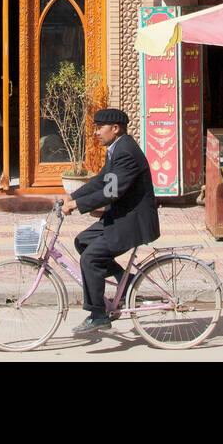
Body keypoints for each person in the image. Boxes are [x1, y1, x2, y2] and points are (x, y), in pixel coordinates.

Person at [60, 107, 160, 334]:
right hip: (121, 217)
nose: (97, 132)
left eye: (100, 128)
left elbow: (111, 191)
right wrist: (74, 196)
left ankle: (98, 315)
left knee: (90, 259)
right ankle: (125, 282)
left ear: (115, 129)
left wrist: (77, 205)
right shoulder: (117, 148)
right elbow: (103, 180)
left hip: (132, 221)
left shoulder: (125, 152)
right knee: (82, 241)